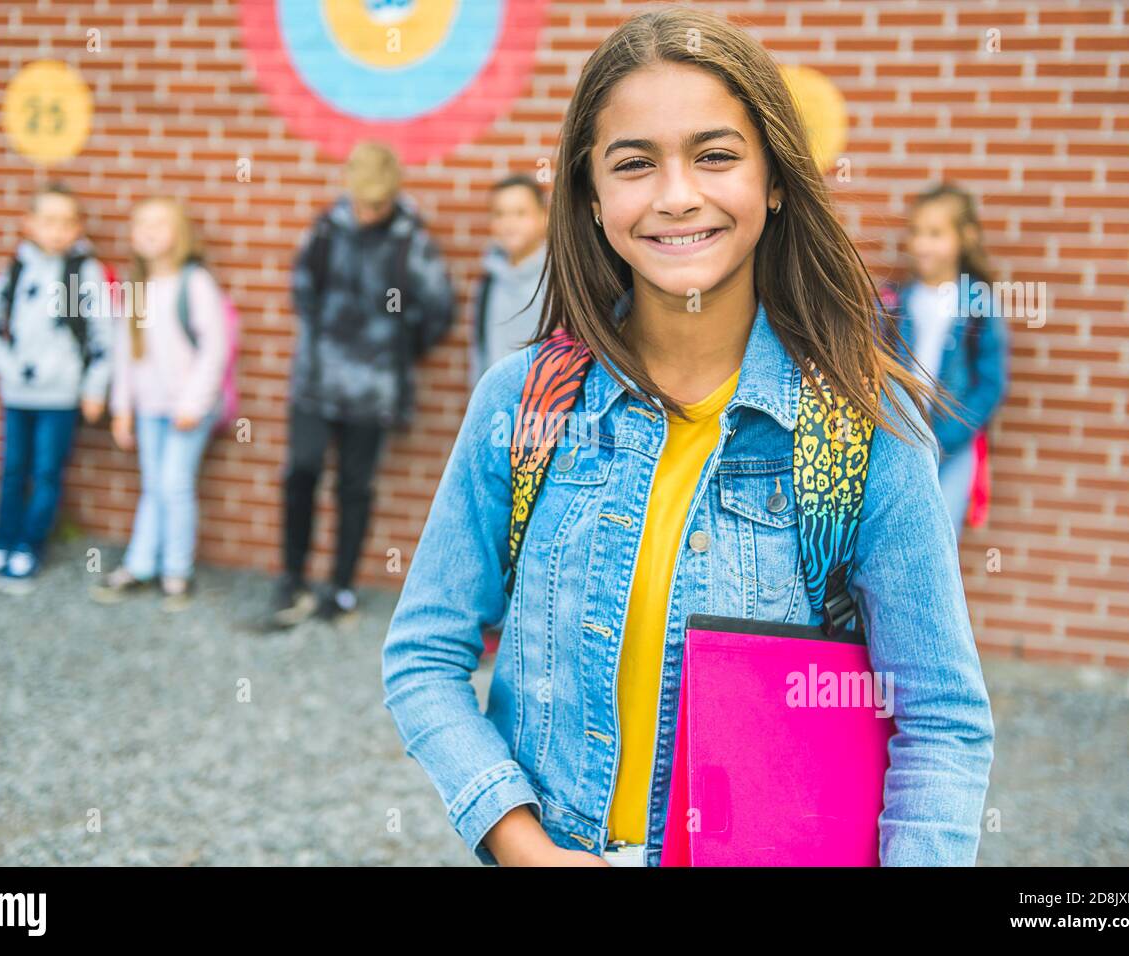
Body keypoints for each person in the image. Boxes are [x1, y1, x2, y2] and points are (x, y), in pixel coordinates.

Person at [381, 8, 995, 867]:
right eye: (634, 164)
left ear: (775, 179)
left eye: (715, 155)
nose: (676, 194)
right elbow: (422, 656)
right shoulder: (522, 405)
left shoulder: (867, 428)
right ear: (592, 198)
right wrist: (525, 848)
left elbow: (941, 722)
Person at [266, 141, 455, 629]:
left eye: (377, 203)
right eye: (361, 201)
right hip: (315, 379)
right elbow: (302, 289)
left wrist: (396, 347)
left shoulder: (409, 238)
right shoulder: (327, 229)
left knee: (354, 486)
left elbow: (438, 307)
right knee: (301, 471)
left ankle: (341, 586)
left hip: (372, 388)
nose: (368, 211)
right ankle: (292, 577)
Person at [0, 182, 112, 595]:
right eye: (47, 220)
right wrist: (5, 366)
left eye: (66, 222)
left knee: (46, 472)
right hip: (18, 392)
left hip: (61, 395)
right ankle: (2, 542)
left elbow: (105, 335)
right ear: (28, 223)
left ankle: (30, 548)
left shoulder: (82, 274)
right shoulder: (16, 270)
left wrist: (94, 388)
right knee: (13, 469)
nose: (56, 230)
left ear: (78, 228)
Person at [90, 197, 228, 612]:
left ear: (179, 234)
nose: (149, 231)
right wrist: (123, 408)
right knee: (154, 486)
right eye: (142, 223)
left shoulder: (195, 283)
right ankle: (140, 564)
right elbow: (125, 354)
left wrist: (193, 402)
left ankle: (176, 571)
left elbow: (214, 349)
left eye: (159, 223)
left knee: (175, 485)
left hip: (188, 410)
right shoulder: (135, 289)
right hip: (149, 408)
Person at [878, 182, 1011, 542]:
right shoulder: (892, 301)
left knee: (938, 542)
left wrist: (943, 441)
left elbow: (990, 384)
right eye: (916, 232)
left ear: (964, 237)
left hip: (950, 449)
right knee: (890, 542)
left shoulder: (977, 304)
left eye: (935, 234)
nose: (921, 244)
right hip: (898, 441)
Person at [469, 174, 549, 387]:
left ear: (544, 217)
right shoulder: (489, 278)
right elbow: (480, 349)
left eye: (520, 213)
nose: (509, 223)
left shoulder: (560, 281)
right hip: (497, 409)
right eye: (500, 214)